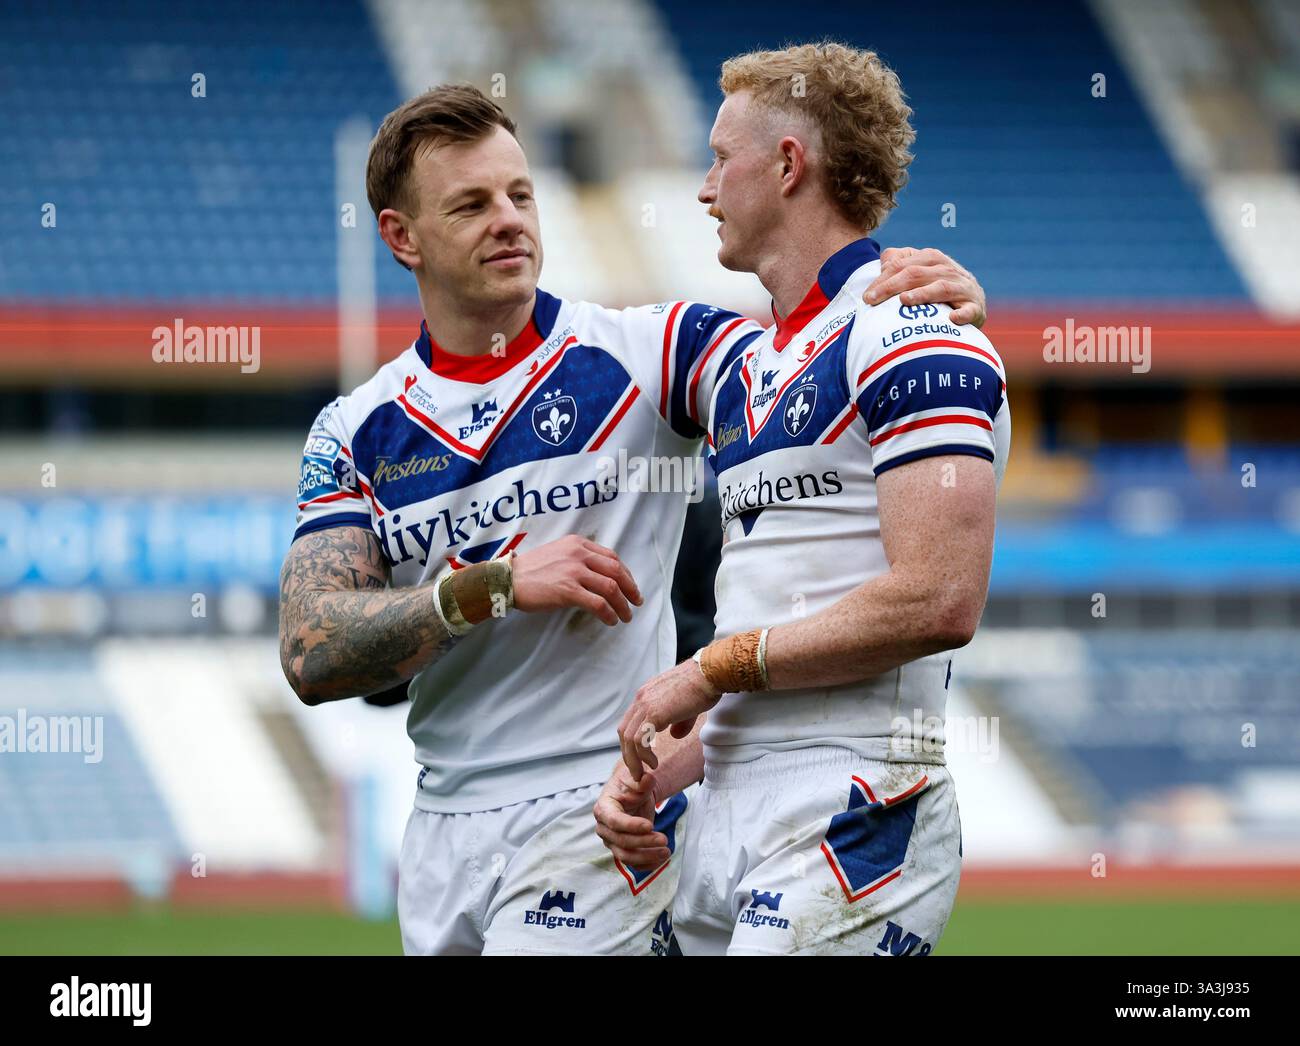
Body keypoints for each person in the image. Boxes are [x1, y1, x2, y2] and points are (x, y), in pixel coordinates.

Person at [278, 82, 990, 955]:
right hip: (442, 819)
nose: (508, 220)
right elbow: (312, 650)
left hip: (602, 810)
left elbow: (814, 361)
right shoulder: (356, 429)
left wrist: (916, 294)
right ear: (400, 236)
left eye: (521, 194)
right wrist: (489, 588)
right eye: (471, 204)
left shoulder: (648, 351)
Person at [603, 42, 1010, 956]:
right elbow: (790, 611)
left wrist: (706, 669)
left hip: (856, 798)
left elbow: (939, 598)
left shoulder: (914, 331)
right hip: (727, 803)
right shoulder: (756, 364)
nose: (704, 189)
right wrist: (675, 765)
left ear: (789, 166)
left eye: (719, 158)